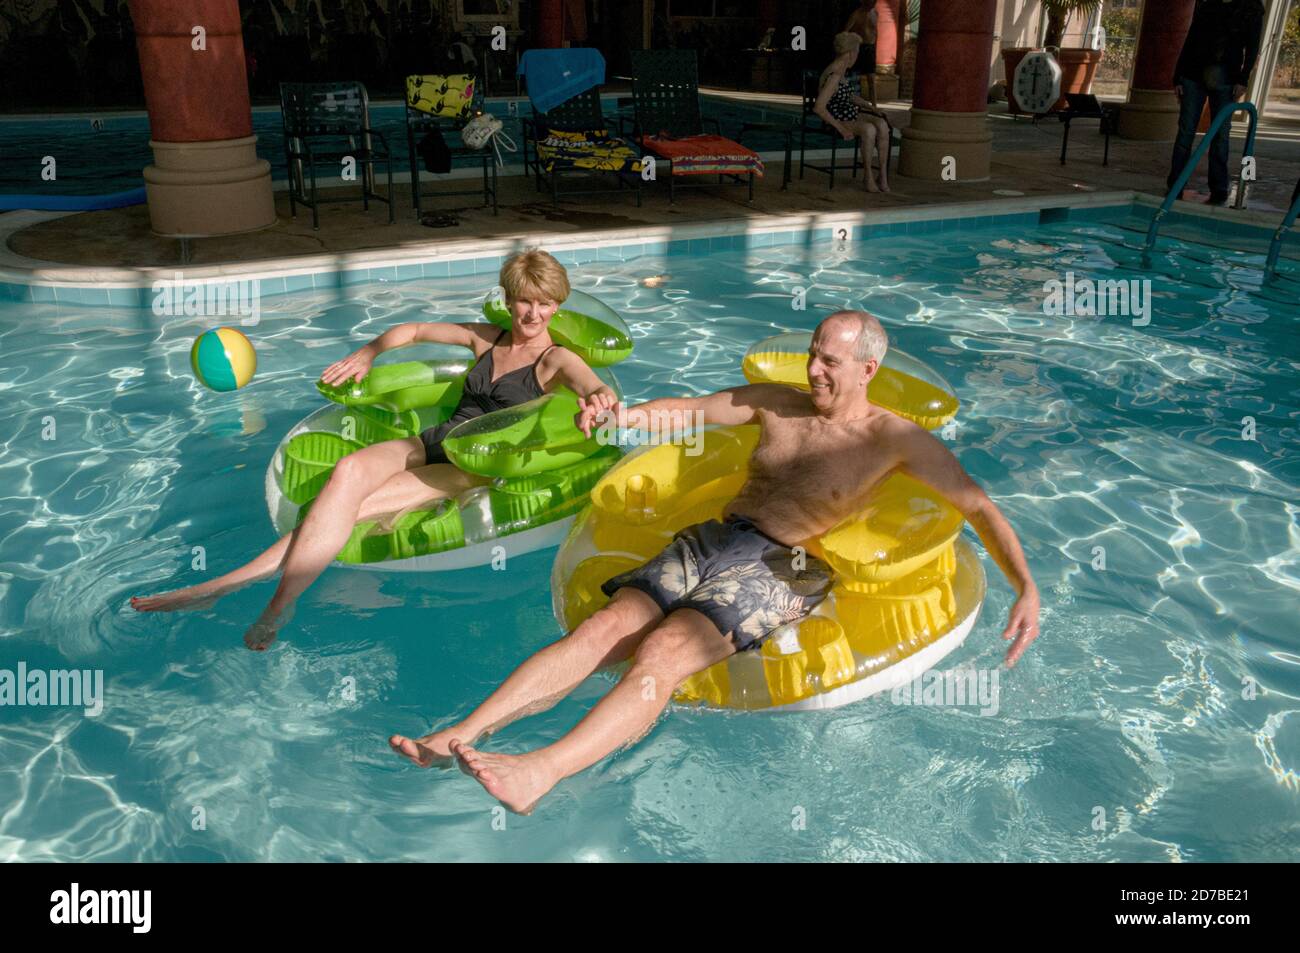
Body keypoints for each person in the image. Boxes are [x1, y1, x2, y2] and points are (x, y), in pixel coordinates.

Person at [390, 311, 1041, 814]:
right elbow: (689, 413)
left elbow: (978, 507)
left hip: (790, 563)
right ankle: (461, 733)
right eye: (813, 353)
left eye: (830, 361)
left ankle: (542, 769)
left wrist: (1026, 588)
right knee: (602, 629)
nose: (814, 369)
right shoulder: (778, 402)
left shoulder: (894, 439)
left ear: (868, 368)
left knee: (664, 653)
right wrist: (619, 416)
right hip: (718, 534)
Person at [131, 249, 618, 650]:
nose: (532, 314)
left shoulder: (556, 359)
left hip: (472, 466)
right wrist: (368, 353)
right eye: (523, 302)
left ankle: (258, 600)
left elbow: (595, 387)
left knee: (350, 510)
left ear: (557, 305)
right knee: (346, 473)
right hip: (434, 441)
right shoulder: (485, 339)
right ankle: (223, 589)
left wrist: (598, 404)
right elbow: (412, 331)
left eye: (544, 303)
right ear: (508, 301)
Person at [1168, 0, 1266, 206]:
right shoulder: (1208, 3)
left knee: (1220, 133)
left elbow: (1252, 45)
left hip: (1225, 75)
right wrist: (1178, 77)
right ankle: (1176, 183)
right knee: (1186, 131)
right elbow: (1192, 38)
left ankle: (1219, 187)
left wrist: (1242, 79)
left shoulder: (1251, 8)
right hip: (1194, 74)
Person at [815, 31, 891, 193]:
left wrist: (871, 107)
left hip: (848, 113)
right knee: (869, 129)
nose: (857, 56)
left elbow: (849, 96)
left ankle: (882, 176)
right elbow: (819, 107)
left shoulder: (842, 70)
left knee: (882, 124)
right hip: (836, 118)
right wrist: (841, 129)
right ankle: (868, 176)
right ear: (851, 53)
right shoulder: (834, 74)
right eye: (857, 51)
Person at [843, 0, 879, 107]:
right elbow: (844, 33)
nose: (873, 4)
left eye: (874, 2)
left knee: (871, 80)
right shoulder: (856, 15)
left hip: (870, 49)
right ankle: (852, 104)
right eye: (870, 2)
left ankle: (874, 107)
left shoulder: (875, 13)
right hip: (858, 48)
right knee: (854, 78)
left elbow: (875, 32)